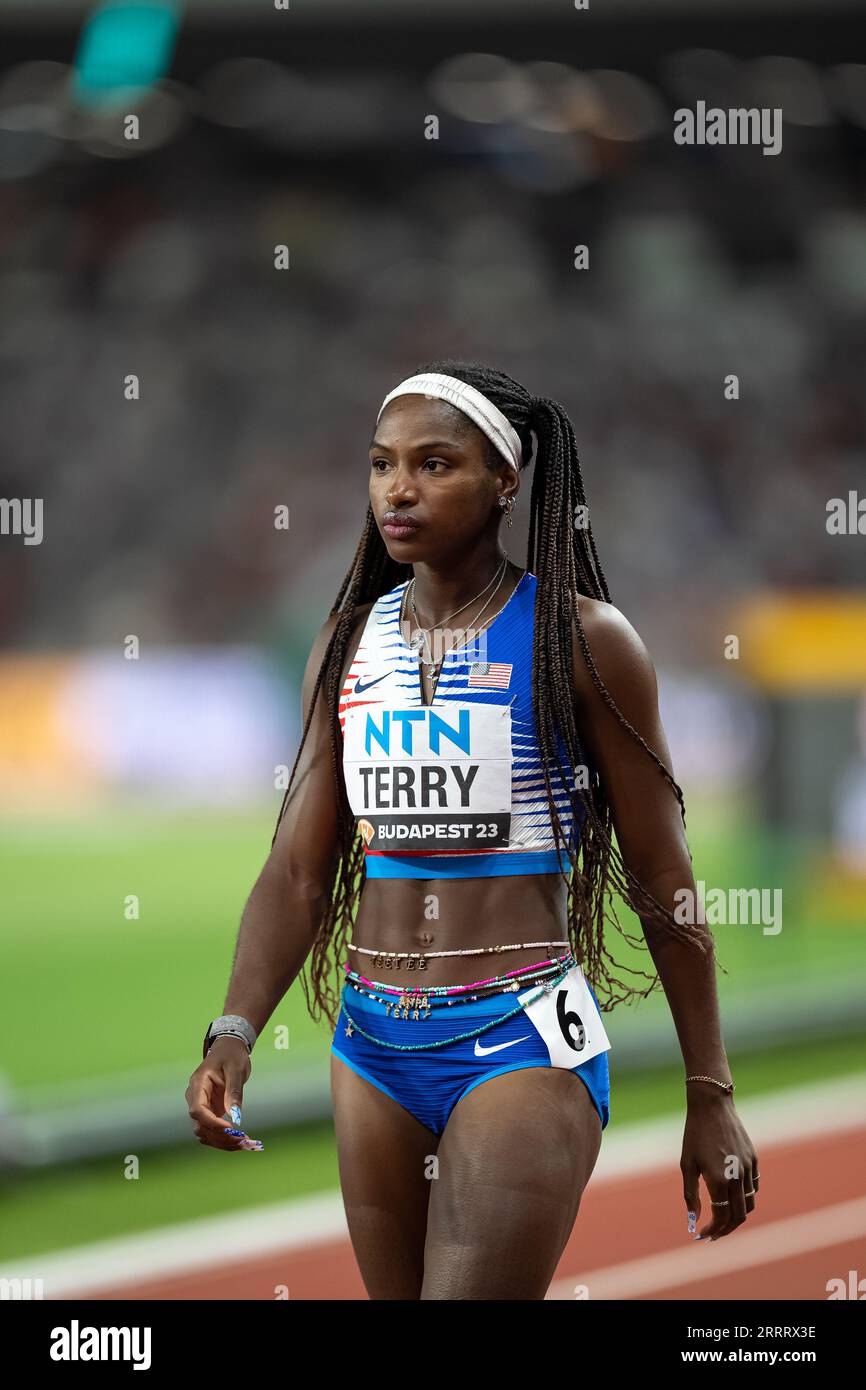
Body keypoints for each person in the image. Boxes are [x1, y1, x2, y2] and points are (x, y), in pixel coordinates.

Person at [186, 360, 759, 1300]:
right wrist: (235, 1030)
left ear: (506, 481)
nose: (398, 489)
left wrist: (712, 1091)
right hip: (370, 1045)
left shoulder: (581, 639)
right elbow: (297, 868)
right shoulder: (343, 646)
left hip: (519, 1033)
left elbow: (664, 874)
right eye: (381, 464)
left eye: (434, 464)